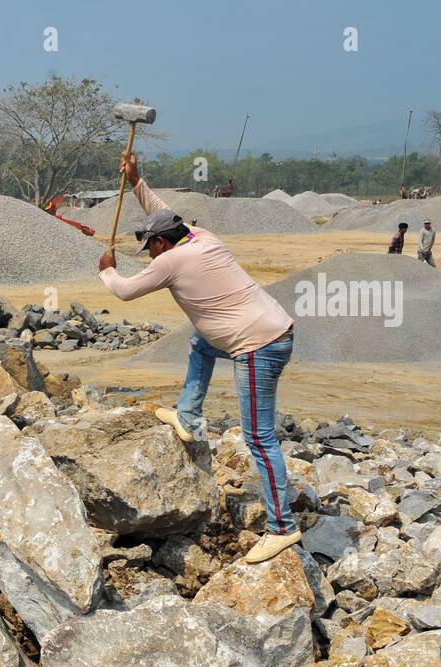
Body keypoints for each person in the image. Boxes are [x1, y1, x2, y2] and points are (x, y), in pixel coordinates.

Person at [97, 150, 299, 563]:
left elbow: (123, 291)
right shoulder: (199, 236)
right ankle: (188, 417)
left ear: (159, 243)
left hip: (258, 346)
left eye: (149, 247)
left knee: (259, 438)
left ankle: (282, 527)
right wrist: (136, 179)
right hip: (271, 329)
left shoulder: (171, 260)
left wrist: (106, 269)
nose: (149, 255)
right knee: (200, 343)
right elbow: (163, 210)